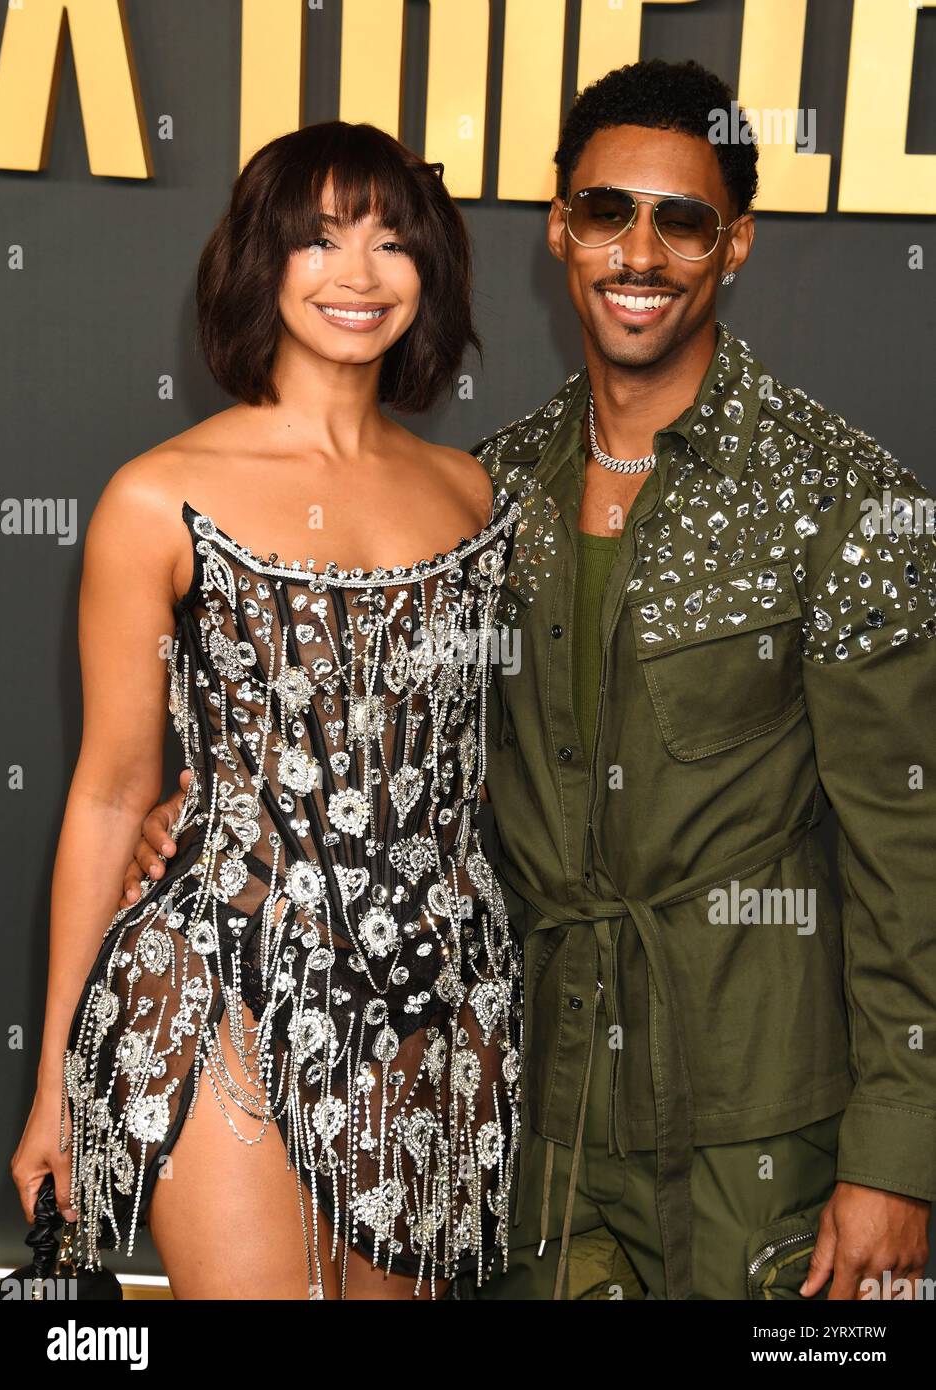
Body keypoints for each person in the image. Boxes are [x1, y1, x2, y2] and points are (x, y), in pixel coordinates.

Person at [120, 59, 936, 1303]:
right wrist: (221, 820)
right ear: (561, 227)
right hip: (524, 1120)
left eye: (684, 220)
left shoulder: (842, 496)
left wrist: (899, 1159)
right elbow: (407, 758)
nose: (639, 251)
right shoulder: (494, 495)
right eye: (607, 210)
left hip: (757, 1137)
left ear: (738, 247)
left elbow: (910, 851)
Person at [11, 120, 523, 1301]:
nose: (359, 274)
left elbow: (469, 765)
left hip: (437, 1001)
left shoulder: (471, 494)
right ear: (261, 260)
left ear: (428, 273)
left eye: (393, 242)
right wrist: (52, 1084)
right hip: (221, 977)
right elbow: (108, 790)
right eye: (321, 239)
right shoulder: (158, 496)